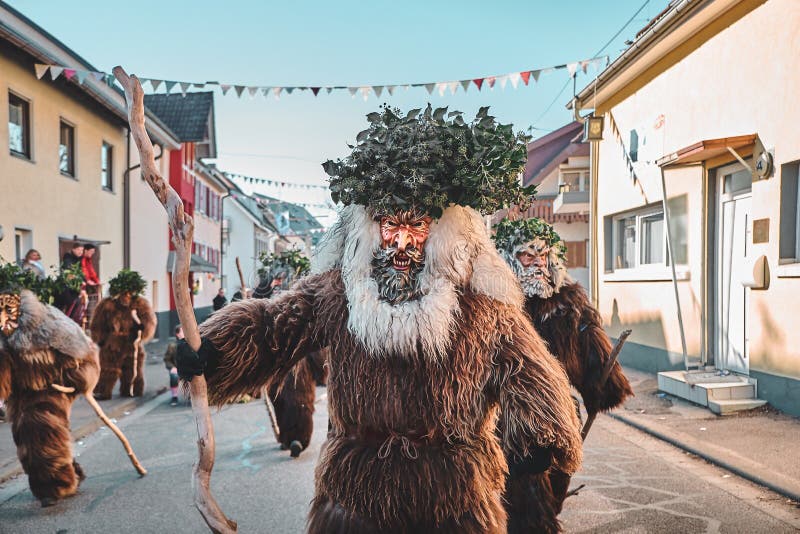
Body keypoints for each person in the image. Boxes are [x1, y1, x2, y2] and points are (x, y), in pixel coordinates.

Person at [176, 106, 582, 533]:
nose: (402, 242)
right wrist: (211, 350)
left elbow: (527, 369)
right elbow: (274, 329)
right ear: (370, 227)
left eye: (419, 226)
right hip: (355, 500)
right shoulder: (338, 292)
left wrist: (541, 431)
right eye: (390, 224)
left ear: (444, 232)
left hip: (456, 501)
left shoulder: (482, 305)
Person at [494, 217, 634, 532]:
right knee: (523, 494)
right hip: (511, 415)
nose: (535, 264)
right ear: (511, 259)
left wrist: (601, 385)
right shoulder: (499, 301)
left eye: (540, 256)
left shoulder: (569, 302)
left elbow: (590, 347)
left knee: (553, 485)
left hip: (560, 413)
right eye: (526, 256)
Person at [0, 284, 100, 507]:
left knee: (41, 431)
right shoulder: (4, 335)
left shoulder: (48, 324)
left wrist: (73, 377)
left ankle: (53, 485)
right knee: (23, 437)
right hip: (20, 393)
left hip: (50, 387)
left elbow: (81, 352)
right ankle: (69, 471)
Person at [89, 269, 156, 400]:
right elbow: (97, 324)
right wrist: (100, 340)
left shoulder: (140, 305)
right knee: (107, 370)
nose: (125, 297)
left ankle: (131, 390)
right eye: (122, 294)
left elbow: (148, 323)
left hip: (132, 343)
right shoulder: (107, 305)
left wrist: (140, 333)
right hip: (112, 344)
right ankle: (103, 391)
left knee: (132, 369)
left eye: (128, 294)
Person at [56, 243, 87, 325]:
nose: (81, 252)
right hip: (65, 288)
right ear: (73, 249)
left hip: (72, 288)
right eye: (78, 250)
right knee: (70, 304)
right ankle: (66, 322)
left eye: (82, 250)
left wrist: (84, 280)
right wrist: (80, 281)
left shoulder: (78, 260)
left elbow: (80, 273)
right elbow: (70, 273)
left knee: (75, 304)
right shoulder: (68, 258)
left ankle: (68, 321)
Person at [163, 325, 183, 406]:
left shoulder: (191, 342)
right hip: (178, 369)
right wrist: (172, 367)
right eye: (182, 331)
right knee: (174, 375)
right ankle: (174, 397)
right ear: (177, 334)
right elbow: (167, 359)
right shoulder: (172, 346)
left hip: (190, 369)